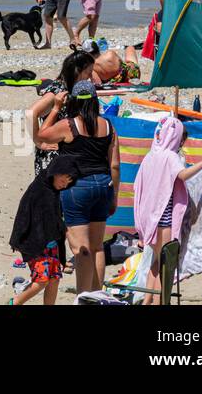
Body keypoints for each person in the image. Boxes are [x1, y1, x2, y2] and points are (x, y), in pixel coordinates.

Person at [36, 80, 121, 295]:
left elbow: (41, 135)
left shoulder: (69, 125)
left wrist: (55, 107)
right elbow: (115, 165)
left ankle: (84, 297)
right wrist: (114, 196)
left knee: (80, 249)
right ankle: (96, 293)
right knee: (97, 246)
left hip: (77, 187)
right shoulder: (109, 126)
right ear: (94, 101)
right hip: (103, 185)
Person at [133, 119, 202, 304]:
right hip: (163, 218)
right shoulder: (170, 157)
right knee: (166, 265)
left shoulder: (150, 155)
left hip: (149, 218)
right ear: (175, 138)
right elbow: (183, 175)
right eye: (181, 141)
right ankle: (161, 302)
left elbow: (137, 186)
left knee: (155, 261)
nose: (181, 145)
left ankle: (147, 300)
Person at [9, 154, 79, 306]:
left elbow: (55, 219)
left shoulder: (54, 190)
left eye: (68, 183)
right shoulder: (39, 189)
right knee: (41, 280)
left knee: (54, 279)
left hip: (51, 245)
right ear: (55, 173)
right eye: (62, 181)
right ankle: (15, 302)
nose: (64, 185)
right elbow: (24, 213)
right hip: (36, 244)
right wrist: (18, 238)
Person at [28, 51, 94, 177]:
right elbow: (31, 113)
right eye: (89, 72)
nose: (90, 77)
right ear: (78, 71)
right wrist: (38, 142)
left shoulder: (71, 87)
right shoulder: (57, 91)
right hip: (53, 154)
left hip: (66, 152)